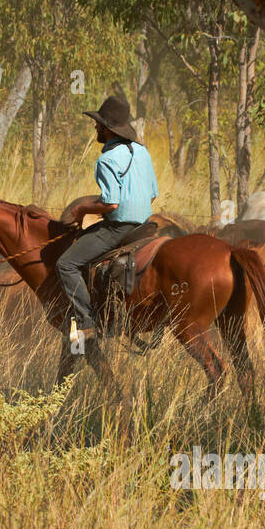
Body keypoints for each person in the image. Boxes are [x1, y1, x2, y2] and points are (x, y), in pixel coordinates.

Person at [57, 95, 159, 347]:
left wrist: (82, 210)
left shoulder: (106, 160)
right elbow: (153, 194)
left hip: (119, 227)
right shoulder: (143, 153)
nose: (95, 128)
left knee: (66, 264)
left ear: (107, 128)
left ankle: (86, 322)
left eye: (98, 124)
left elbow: (111, 204)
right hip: (144, 226)